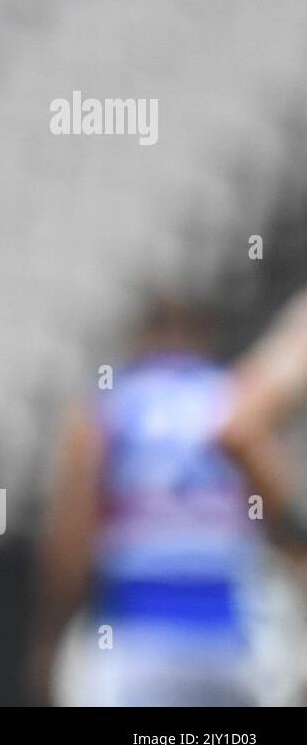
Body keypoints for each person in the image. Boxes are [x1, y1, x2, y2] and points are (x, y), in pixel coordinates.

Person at [30, 299, 293, 706]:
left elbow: (70, 548)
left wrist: (50, 635)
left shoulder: (108, 406)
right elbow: (282, 518)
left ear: (141, 337)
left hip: (135, 639)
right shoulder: (237, 402)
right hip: (231, 643)